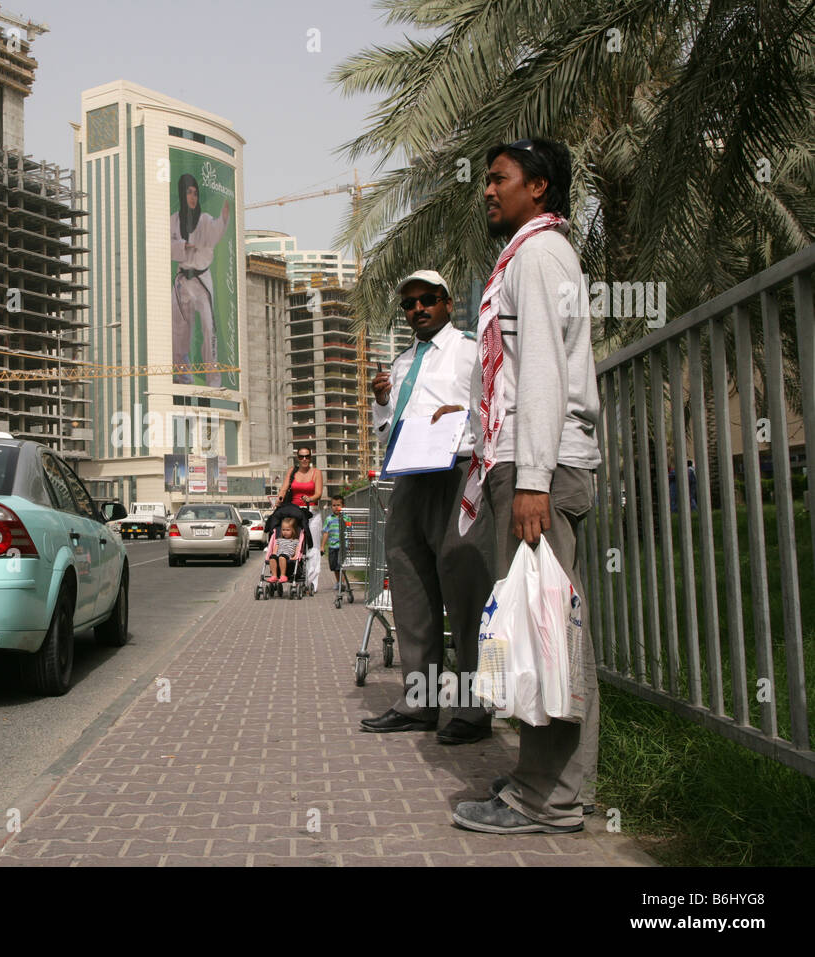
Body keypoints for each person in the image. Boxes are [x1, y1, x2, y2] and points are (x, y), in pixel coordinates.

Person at [451, 137, 602, 835]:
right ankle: (550, 786)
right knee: (547, 622)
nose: (488, 190)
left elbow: (541, 369)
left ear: (537, 188)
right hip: (530, 461)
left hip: (541, 465)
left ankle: (550, 799)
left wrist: (533, 479)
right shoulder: (532, 255)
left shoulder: (538, 256)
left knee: (550, 628)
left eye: (498, 179)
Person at [358, 271, 494, 745]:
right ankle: (419, 702)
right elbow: (385, 428)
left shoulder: (470, 349)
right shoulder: (399, 365)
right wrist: (380, 403)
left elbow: (490, 404)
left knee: (464, 585)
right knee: (411, 587)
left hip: (457, 474)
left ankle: (474, 711)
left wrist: (460, 419)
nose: (418, 309)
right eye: (410, 304)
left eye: (427, 300)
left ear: (447, 302)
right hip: (410, 477)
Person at [171, 173, 231, 386]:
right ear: (182, 194)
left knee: (208, 328)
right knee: (179, 330)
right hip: (182, 280)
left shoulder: (205, 219)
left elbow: (214, 234)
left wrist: (224, 216)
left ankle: (213, 379)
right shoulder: (174, 220)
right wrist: (182, 247)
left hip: (202, 279)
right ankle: (182, 375)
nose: (193, 197)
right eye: (189, 192)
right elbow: (165, 245)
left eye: (195, 193)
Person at [275, 447, 324, 595]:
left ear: (311, 457)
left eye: (307, 456)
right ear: (297, 458)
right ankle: (289, 573)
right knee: (293, 544)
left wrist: (310, 498)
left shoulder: (316, 473)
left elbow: (319, 493)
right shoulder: (292, 471)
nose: (304, 459)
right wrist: (280, 498)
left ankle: (312, 583)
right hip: (294, 513)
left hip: (311, 512)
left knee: (312, 547)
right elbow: (284, 488)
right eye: (301, 457)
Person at [323, 496, 351, 588]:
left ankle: (342, 583)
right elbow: (326, 533)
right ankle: (338, 581)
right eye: (334, 505)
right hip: (332, 546)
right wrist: (322, 546)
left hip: (343, 546)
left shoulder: (347, 518)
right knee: (334, 566)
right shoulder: (329, 519)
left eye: (338, 505)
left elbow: (350, 532)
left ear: (343, 506)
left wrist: (351, 543)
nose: (336, 507)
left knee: (342, 565)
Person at [265, 515, 302, 584]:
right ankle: (274, 576)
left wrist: (295, 557)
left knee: (282, 557)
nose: (285, 532)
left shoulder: (295, 541)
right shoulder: (279, 540)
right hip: (278, 556)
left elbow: (298, 550)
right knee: (272, 557)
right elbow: (275, 551)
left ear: (293, 530)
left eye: (288, 530)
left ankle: (283, 575)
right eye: (283, 530)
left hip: (288, 557)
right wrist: (273, 555)